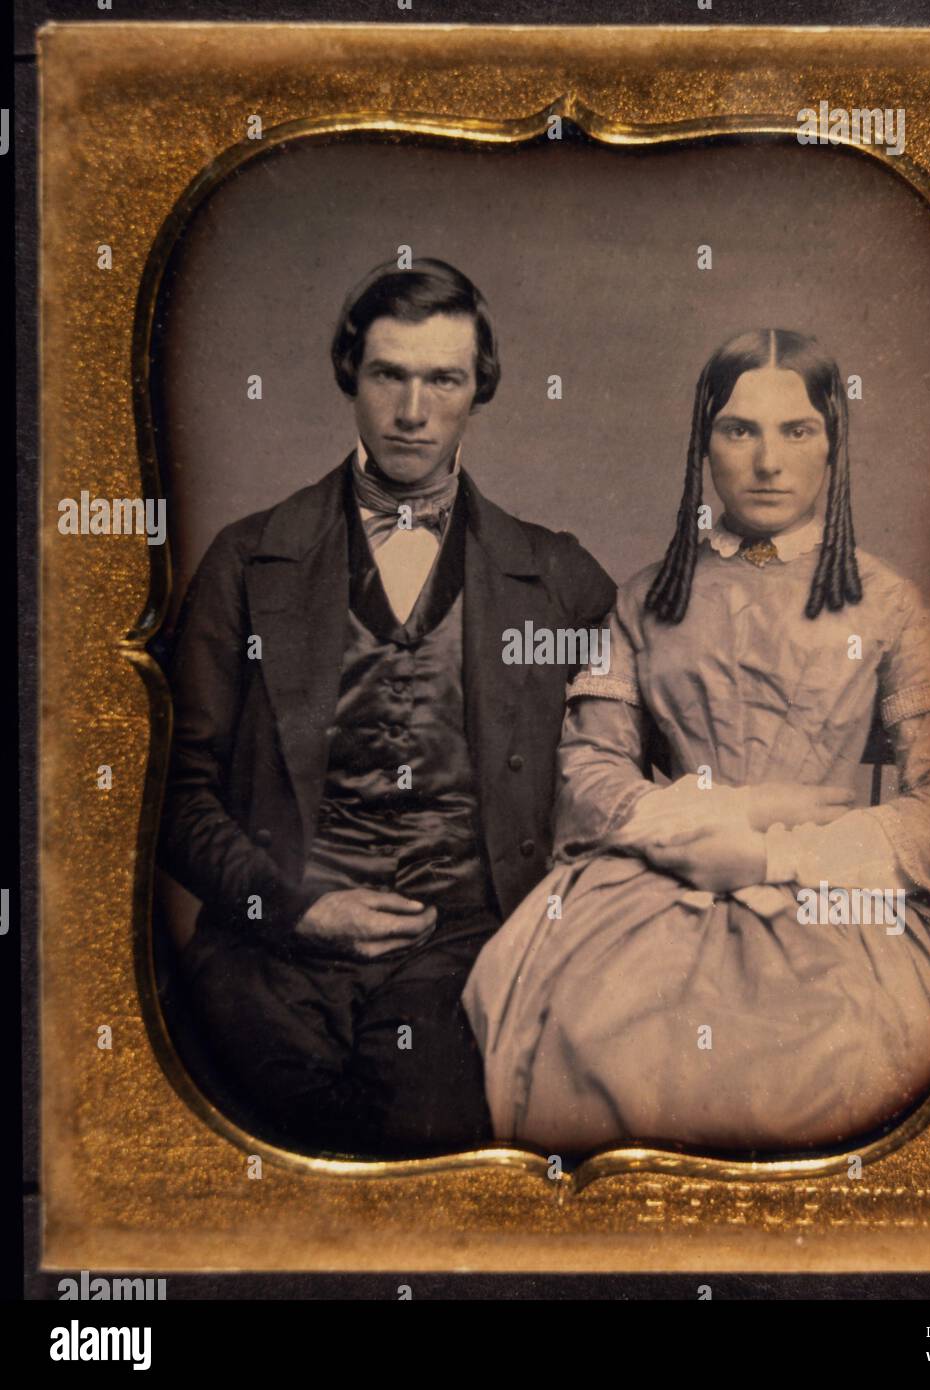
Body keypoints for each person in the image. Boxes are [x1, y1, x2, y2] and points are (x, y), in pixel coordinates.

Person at [464, 327, 930, 1155]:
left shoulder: (889, 607)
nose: (767, 461)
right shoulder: (644, 601)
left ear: (831, 445)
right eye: (739, 430)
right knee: (596, 1035)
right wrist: (726, 810)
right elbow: (587, 770)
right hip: (655, 884)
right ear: (704, 444)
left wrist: (775, 859)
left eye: (795, 430)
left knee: (821, 1058)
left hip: (834, 899)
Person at [158, 258, 615, 1156]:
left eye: (442, 379)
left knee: (430, 1149)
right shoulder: (248, 561)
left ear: (477, 387)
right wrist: (289, 907)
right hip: (273, 946)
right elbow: (170, 793)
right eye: (388, 375)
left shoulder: (554, 575)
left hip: (466, 953)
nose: (413, 412)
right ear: (349, 374)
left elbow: (635, 755)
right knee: (264, 1150)